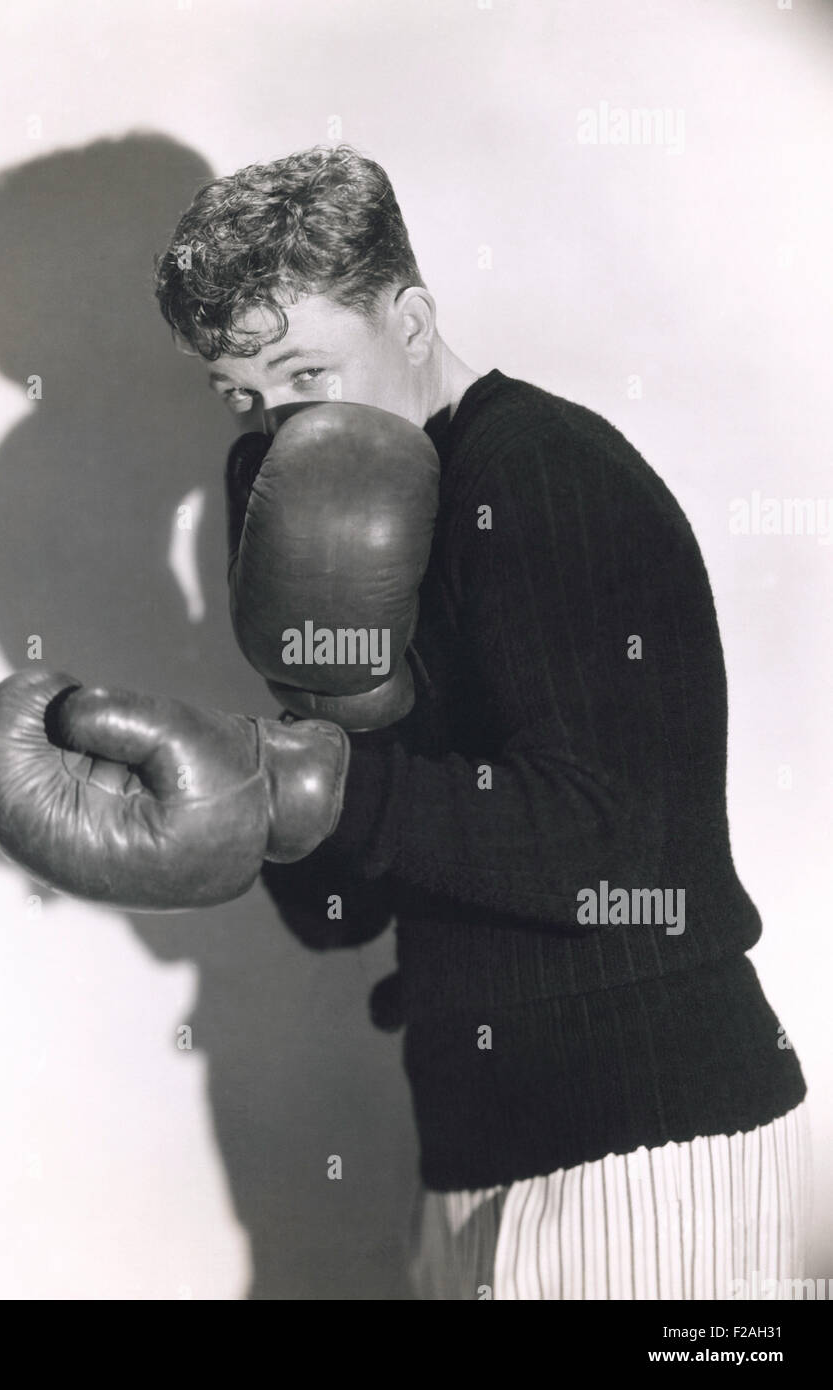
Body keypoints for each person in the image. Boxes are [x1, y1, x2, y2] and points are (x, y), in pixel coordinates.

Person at [152, 143, 811, 1300]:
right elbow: (340, 915)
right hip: (466, 1139)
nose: (273, 426)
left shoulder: (547, 474)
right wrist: (249, 805)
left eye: (308, 375)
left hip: (645, 1140)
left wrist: (315, 783)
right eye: (241, 395)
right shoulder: (278, 496)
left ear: (409, 319)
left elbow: (618, 846)